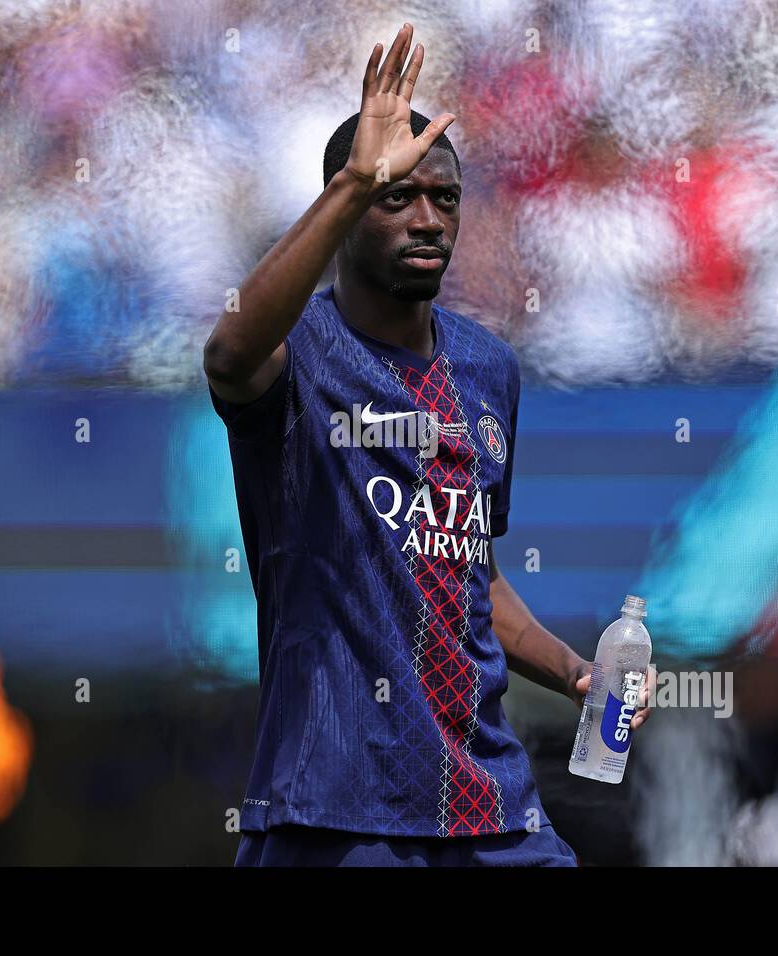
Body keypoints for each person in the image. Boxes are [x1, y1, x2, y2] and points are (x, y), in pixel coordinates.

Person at [203, 23, 651, 866]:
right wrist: (351, 182)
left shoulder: (488, 370)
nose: (426, 217)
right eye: (396, 196)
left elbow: (465, 567)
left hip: (487, 804)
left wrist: (575, 671)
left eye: (443, 199)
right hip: (335, 810)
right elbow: (226, 356)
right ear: (346, 208)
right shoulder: (297, 355)